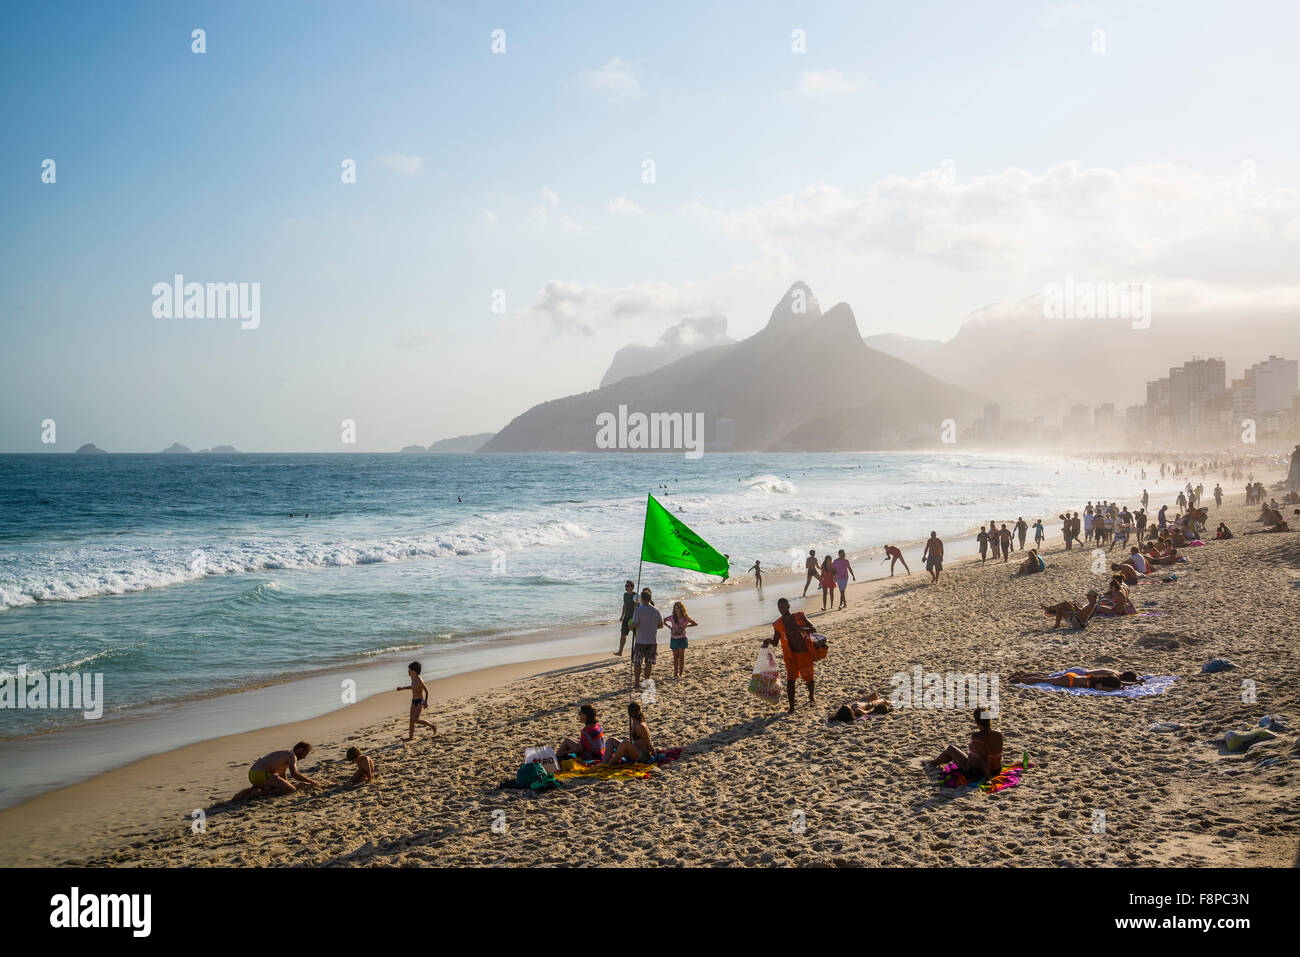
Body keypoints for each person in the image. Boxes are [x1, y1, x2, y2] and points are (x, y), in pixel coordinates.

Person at [766, 597, 817, 713]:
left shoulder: (799, 616)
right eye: (779, 607)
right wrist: (768, 641)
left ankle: (811, 695)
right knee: (790, 681)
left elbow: (814, 629)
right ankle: (792, 707)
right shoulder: (778, 624)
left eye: (784, 606)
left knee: (809, 679)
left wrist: (801, 629)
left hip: (804, 653)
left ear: (789, 606)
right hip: (790, 656)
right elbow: (775, 642)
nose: (782, 609)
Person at [924, 709, 1003, 781]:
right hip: (996, 770)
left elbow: (984, 758)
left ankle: (932, 763)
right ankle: (933, 762)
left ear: (976, 722)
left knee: (951, 749)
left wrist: (987, 778)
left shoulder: (977, 737)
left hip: (977, 772)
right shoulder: (998, 734)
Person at [232, 742, 325, 800]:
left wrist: (286, 784)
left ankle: (251, 791)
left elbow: (282, 776)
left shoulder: (284, 754)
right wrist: (311, 781)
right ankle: (259, 793)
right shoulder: (292, 756)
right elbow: (294, 774)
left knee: (286, 786)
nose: (304, 757)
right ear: (300, 750)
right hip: (261, 774)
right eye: (305, 754)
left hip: (252, 775)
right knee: (291, 789)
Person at [629, 588, 663, 688]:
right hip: (652, 640)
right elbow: (661, 625)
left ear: (642, 599)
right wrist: (651, 626)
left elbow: (635, 624)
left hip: (640, 640)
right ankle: (646, 682)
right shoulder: (656, 610)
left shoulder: (638, 610)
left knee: (637, 662)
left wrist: (631, 627)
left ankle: (636, 683)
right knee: (649, 662)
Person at [397, 661, 437, 741]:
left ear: (414, 671)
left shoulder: (419, 679)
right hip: (413, 701)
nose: (408, 672)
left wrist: (425, 702)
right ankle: (410, 737)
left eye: (409, 670)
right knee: (411, 720)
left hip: (420, 701)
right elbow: (413, 687)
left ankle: (431, 725)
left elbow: (426, 690)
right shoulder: (413, 678)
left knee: (416, 720)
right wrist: (403, 688)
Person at [1009, 668, 1144, 690]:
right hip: (1070, 682)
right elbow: (1099, 688)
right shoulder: (1112, 682)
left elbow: (1118, 682)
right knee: (1044, 680)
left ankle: (1021, 676)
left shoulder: (1112, 676)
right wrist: (1113, 689)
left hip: (1074, 676)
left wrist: (1135, 684)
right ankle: (1020, 678)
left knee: (1047, 677)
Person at [664, 600, 697, 678]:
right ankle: (675, 673)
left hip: (682, 638)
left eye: (678, 608)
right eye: (675, 608)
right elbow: (663, 620)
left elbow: (695, 623)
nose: (676, 610)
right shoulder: (672, 617)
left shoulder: (685, 618)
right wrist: (669, 627)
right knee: (675, 656)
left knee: (681, 656)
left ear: (681, 609)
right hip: (674, 638)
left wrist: (686, 626)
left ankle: (681, 673)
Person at [616, 579, 636, 656]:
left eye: (627, 586)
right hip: (626, 617)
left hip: (633, 618)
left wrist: (634, 618)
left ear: (632, 587)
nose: (626, 587)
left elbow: (636, 608)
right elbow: (624, 605)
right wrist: (622, 616)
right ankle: (620, 651)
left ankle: (636, 651)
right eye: (625, 586)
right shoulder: (625, 595)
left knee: (636, 635)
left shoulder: (635, 595)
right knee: (623, 634)